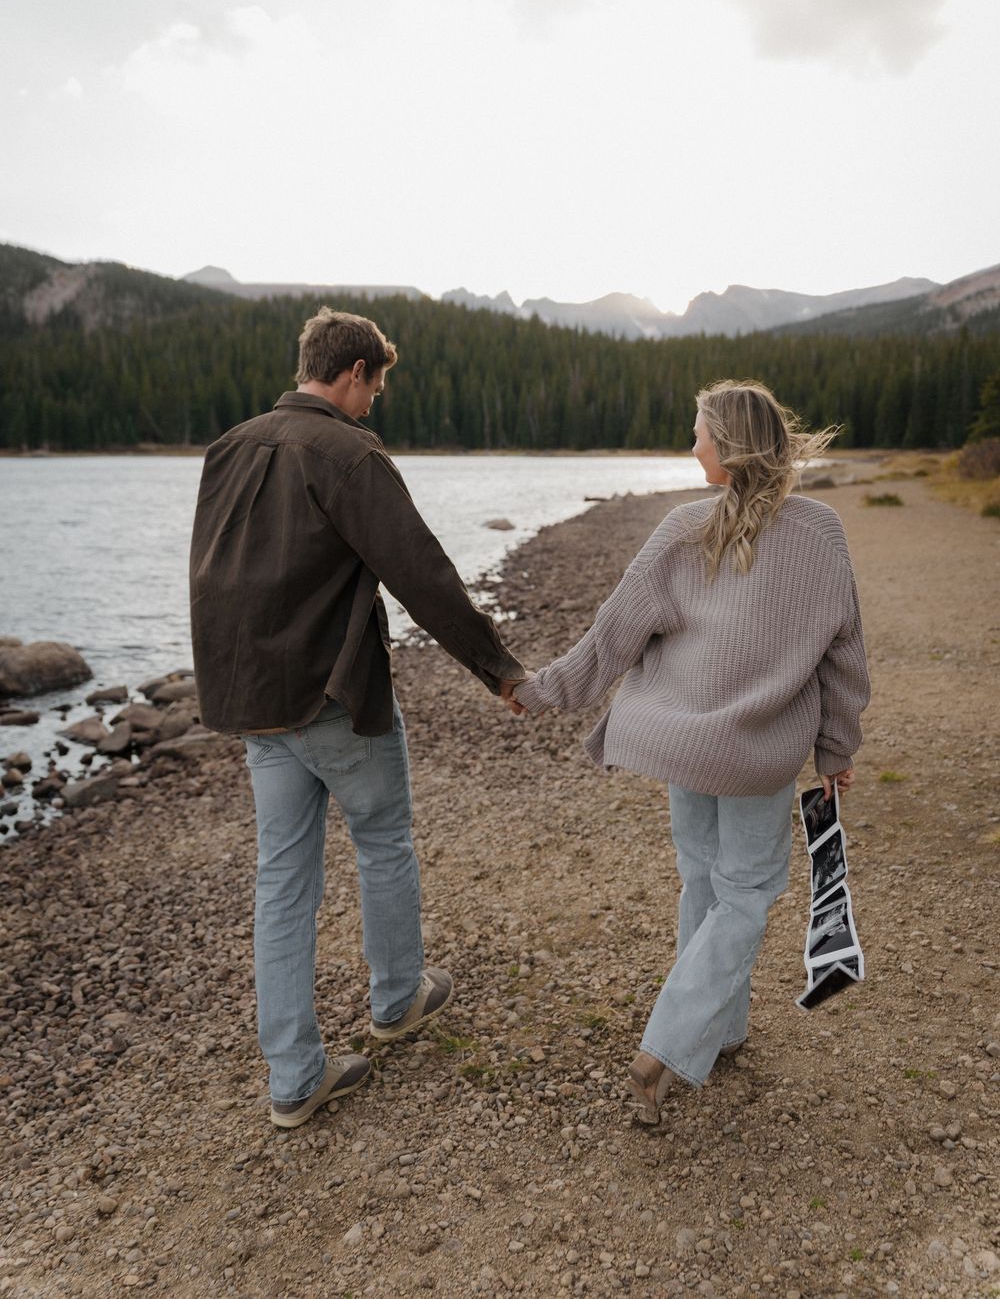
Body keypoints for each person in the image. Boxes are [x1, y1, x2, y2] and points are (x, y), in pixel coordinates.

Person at [190, 308, 524, 1128]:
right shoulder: (348, 452)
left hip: (257, 706)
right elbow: (422, 573)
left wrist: (226, 694)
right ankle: (397, 998)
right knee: (382, 842)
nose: (374, 401)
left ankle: (295, 1079)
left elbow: (210, 576)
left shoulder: (228, 448)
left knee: (283, 882)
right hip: (338, 700)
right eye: (374, 384)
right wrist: (501, 669)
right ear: (352, 373)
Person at [507, 379, 870, 1125]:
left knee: (705, 883)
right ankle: (672, 1045)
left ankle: (716, 1032)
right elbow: (846, 657)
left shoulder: (682, 528)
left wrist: (543, 690)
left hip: (682, 745)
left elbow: (612, 637)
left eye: (699, 433)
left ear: (729, 451)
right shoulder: (820, 530)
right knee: (744, 892)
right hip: (757, 755)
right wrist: (836, 750)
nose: (691, 445)